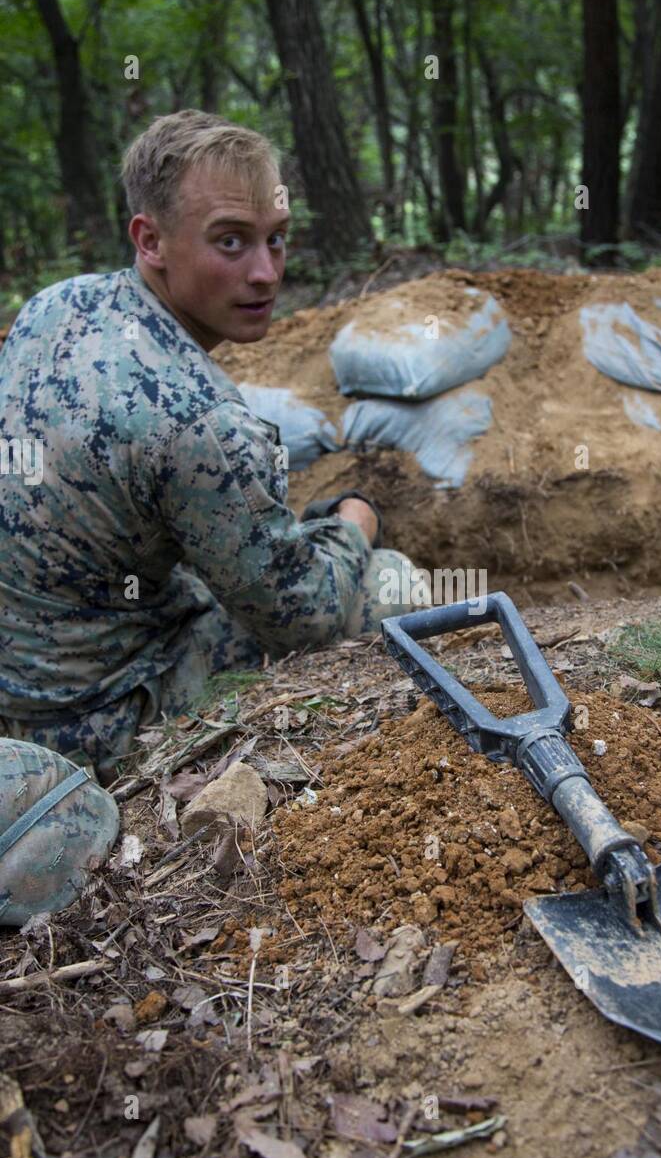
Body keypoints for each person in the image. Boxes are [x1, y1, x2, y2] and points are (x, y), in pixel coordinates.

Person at [0, 110, 424, 786]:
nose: (265, 273)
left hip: (27, 667)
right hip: (92, 722)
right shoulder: (199, 422)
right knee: (390, 582)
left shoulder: (56, 304)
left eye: (277, 240)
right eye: (231, 243)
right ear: (151, 240)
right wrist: (355, 524)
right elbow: (306, 618)